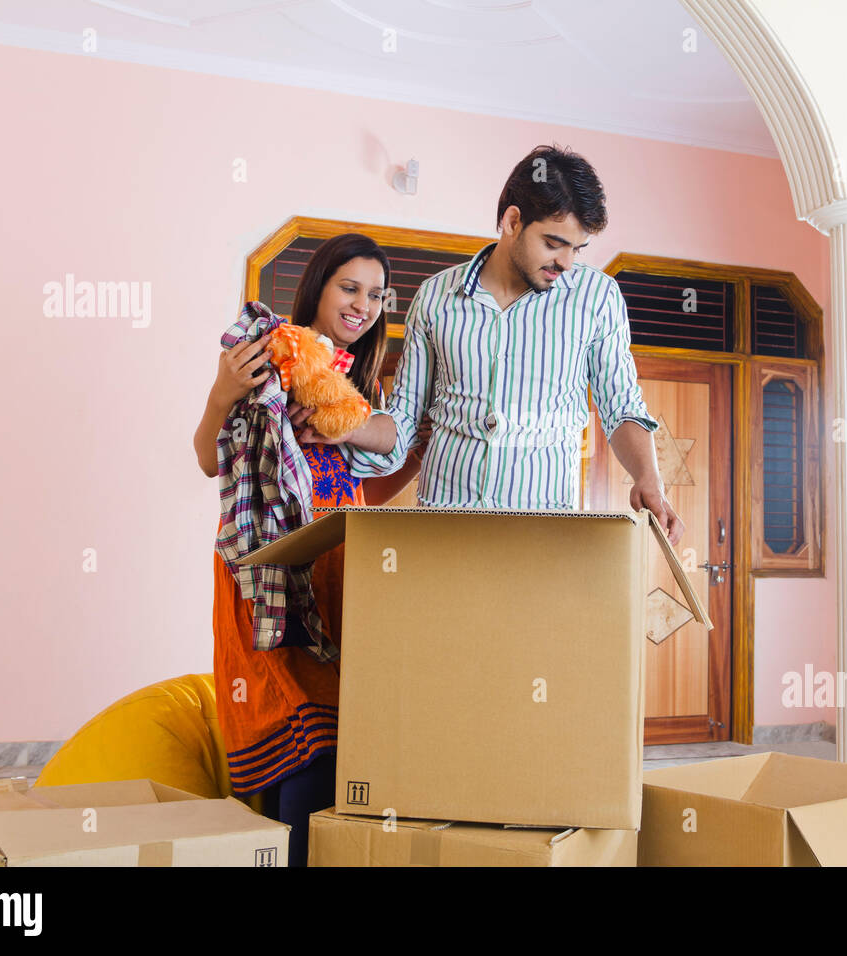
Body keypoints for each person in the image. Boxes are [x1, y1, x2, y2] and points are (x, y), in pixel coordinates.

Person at [192, 233, 428, 867]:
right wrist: (221, 392)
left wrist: (424, 444)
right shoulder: (274, 359)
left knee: (336, 737)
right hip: (270, 572)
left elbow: (366, 491)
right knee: (300, 729)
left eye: (377, 295)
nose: (363, 305)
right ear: (318, 285)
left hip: (334, 573)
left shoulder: (353, 388)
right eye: (349, 288)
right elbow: (205, 456)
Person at [319, 144, 686, 544]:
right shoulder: (435, 297)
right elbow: (404, 425)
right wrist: (345, 426)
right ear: (513, 220)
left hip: (543, 537)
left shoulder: (597, 298)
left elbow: (621, 407)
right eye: (553, 243)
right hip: (442, 532)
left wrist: (649, 477)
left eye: (576, 249)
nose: (565, 262)